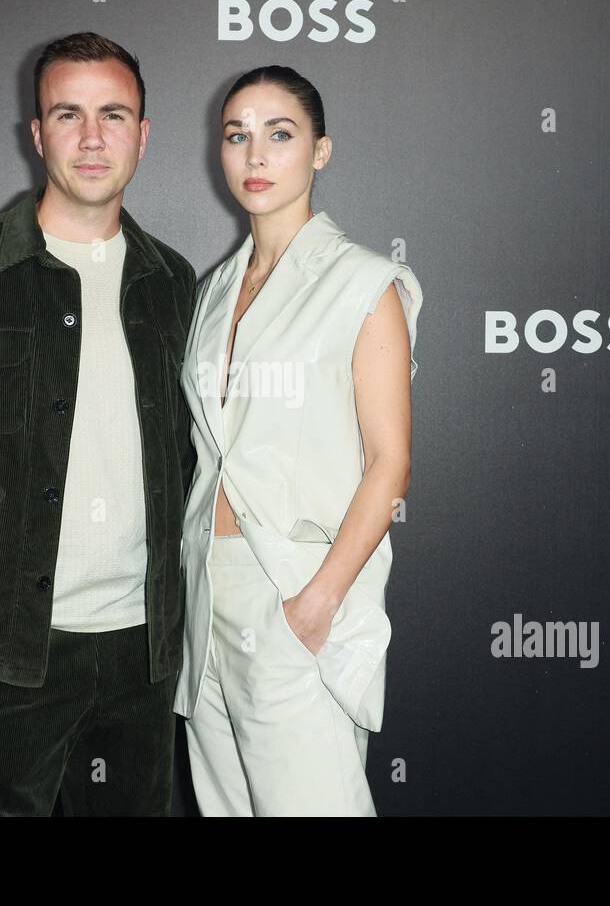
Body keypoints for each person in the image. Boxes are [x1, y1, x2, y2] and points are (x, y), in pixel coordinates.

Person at [0, 31, 197, 815]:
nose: (93, 138)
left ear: (144, 135)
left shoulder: (175, 284)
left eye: (114, 115)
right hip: (0, 660)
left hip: (145, 661)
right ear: (37, 134)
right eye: (69, 114)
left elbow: (193, 463)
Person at [173, 65, 423, 815]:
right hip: (204, 596)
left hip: (296, 590)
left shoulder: (362, 282)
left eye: (279, 135)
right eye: (236, 136)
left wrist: (317, 602)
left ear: (320, 151)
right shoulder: (215, 290)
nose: (255, 156)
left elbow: (391, 463)